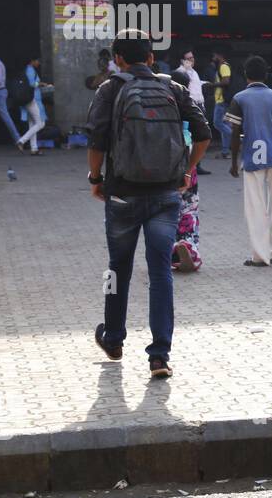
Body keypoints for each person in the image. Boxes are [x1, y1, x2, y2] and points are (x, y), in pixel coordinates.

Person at [87, 30, 211, 379]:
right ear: (151, 58)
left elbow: (96, 139)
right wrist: (186, 171)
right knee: (160, 272)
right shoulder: (174, 87)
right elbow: (204, 133)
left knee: (117, 268)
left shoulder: (110, 89)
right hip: (165, 196)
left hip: (122, 194)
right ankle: (159, 356)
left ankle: (113, 338)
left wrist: (95, 178)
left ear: (118, 59)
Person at [226, 56, 272, 267]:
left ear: (246, 74)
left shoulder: (239, 98)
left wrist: (233, 162)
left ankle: (260, 255)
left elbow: (235, 133)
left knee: (255, 208)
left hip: (252, 159)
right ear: (265, 74)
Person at [169, 70, 204, 272]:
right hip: (188, 160)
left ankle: (170, 250)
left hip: (166, 162)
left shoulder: (163, 104)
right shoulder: (191, 105)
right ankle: (189, 246)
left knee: (167, 208)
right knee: (189, 206)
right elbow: (203, 135)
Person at [179, 52, 211, 175]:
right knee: (189, 137)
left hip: (198, 105)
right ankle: (190, 166)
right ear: (182, 60)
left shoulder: (193, 72)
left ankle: (196, 164)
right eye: (188, 58)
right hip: (189, 107)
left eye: (192, 58)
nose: (191, 60)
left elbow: (196, 86)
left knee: (198, 136)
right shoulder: (181, 73)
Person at [15, 56, 53, 156]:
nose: (38, 63)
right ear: (32, 61)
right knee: (41, 123)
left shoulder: (28, 69)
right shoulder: (30, 70)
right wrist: (42, 84)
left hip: (30, 100)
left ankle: (34, 148)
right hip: (32, 100)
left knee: (33, 124)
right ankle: (21, 141)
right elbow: (32, 84)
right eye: (37, 61)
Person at [211, 51, 233, 159]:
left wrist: (212, 85)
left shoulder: (224, 66)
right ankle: (225, 151)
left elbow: (226, 82)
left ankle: (236, 137)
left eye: (215, 55)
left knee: (217, 123)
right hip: (222, 100)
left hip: (222, 100)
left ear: (220, 55)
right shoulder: (222, 66)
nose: (213, 57)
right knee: (225, 125)